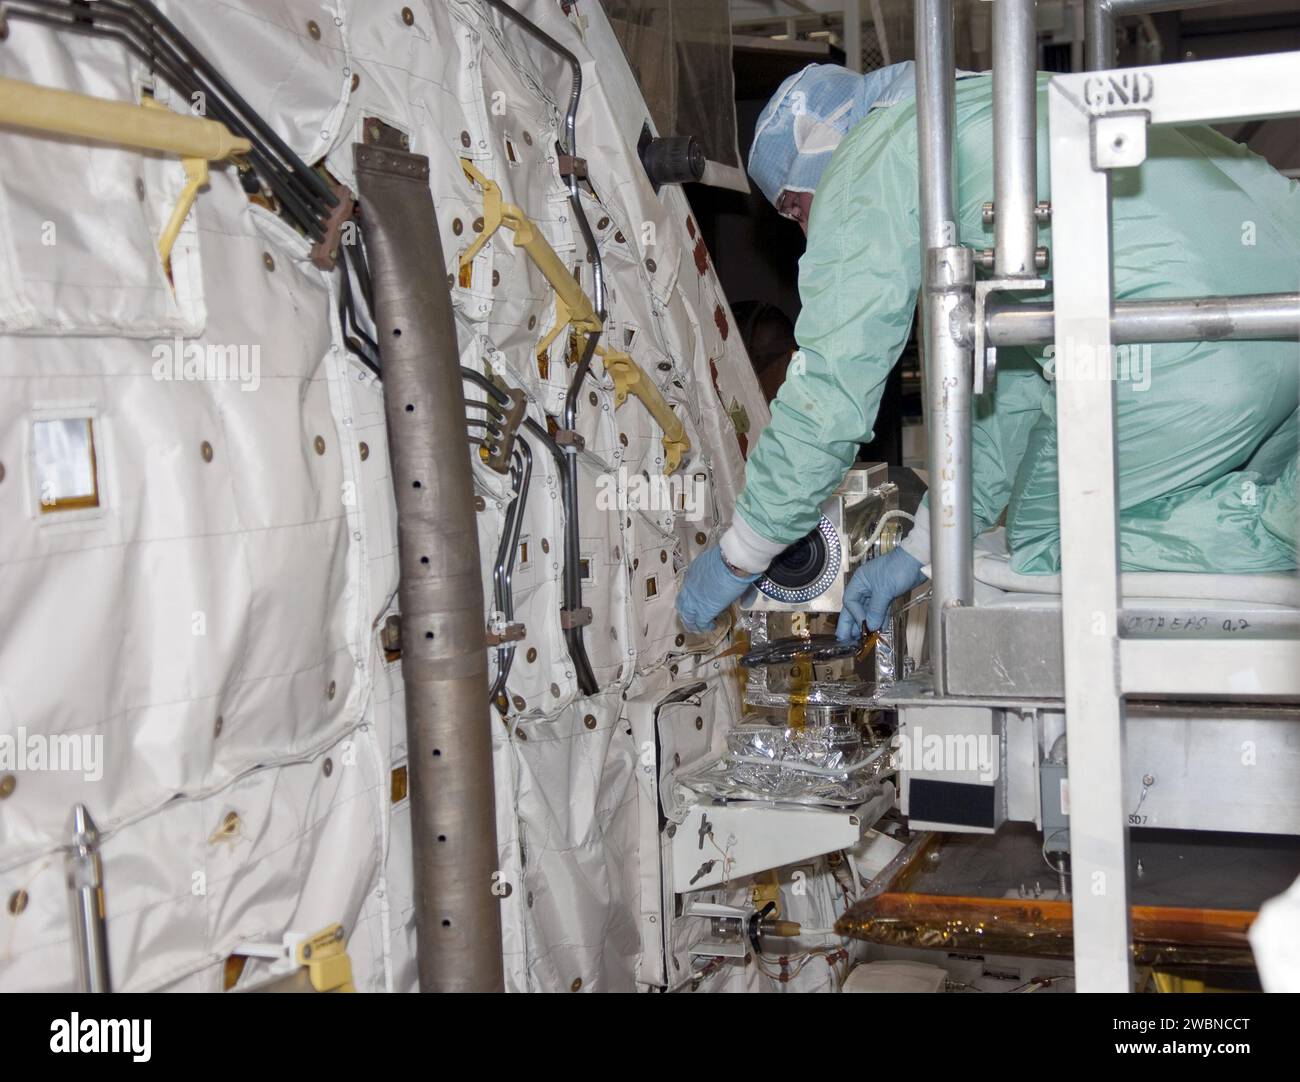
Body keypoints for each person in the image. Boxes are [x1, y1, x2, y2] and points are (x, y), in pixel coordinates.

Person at [677, 61, 1300, 641]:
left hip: (1180, 352)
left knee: (1049, 544)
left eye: (792, 208)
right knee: (1214, 503)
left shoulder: (868, 160)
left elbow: (830, 390)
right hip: (1275, 326)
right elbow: (1016, 382)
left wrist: (743, 552)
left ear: (812, 168)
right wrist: (925, 548)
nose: (804, 227)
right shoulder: (988, 107)